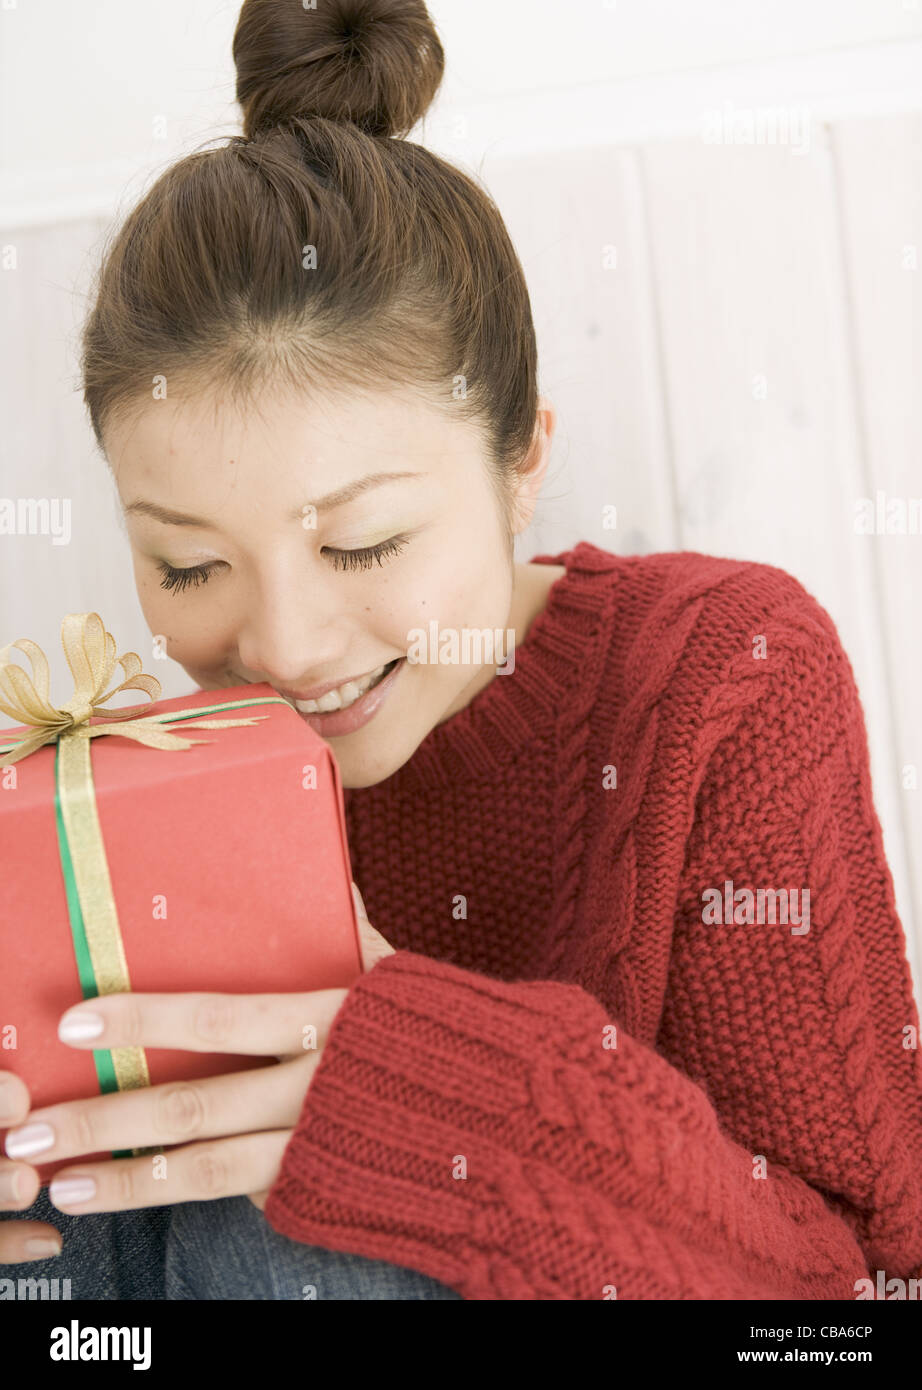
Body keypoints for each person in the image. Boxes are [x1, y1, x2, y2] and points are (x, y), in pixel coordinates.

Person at [2, 0, 922, 1301]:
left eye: (365, 540)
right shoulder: (148, 794)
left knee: (295, 1217)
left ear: (520, 461)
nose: (279, 646)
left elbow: (849, 1294)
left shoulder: (726, 673)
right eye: (189, 566)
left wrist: (423, 1095)